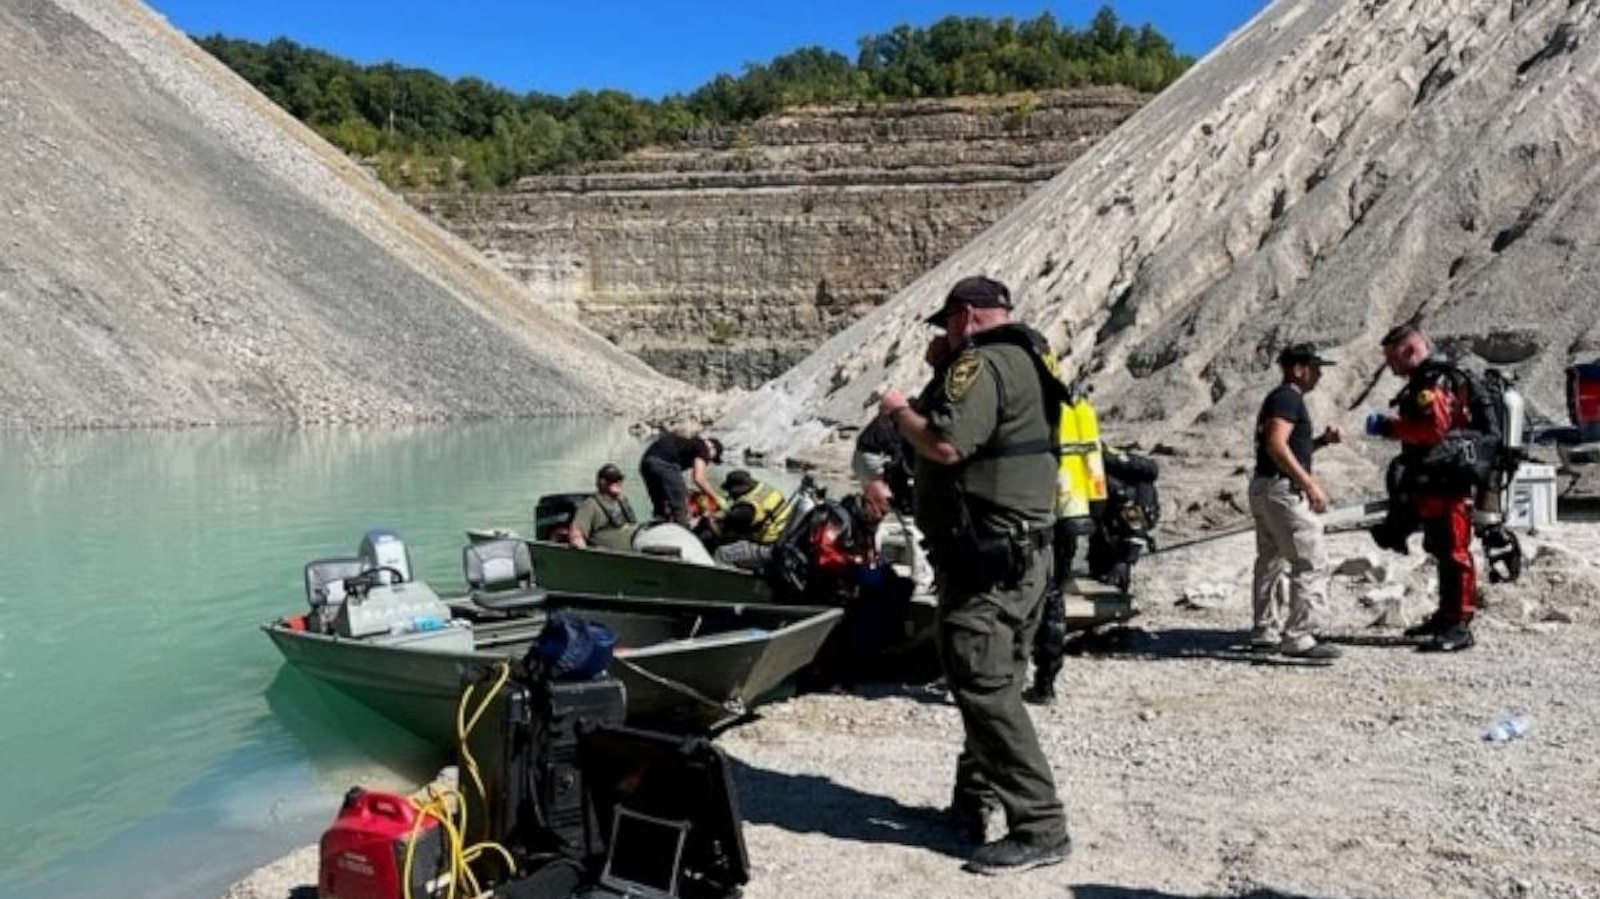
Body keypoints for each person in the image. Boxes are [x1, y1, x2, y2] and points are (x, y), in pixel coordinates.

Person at [878, 275, 1071, 876]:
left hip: (988, 563)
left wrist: (900, 410)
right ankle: (973, 802)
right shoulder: (1031, 357)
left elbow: (945, 445)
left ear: (964, 315)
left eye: (945, 325)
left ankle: (1039, 826)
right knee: (992, 680)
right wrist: (942, 370)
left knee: (983, 686)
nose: (942, 336)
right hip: (1021, 554)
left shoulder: (982, 365)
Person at [1365, 325, 1481, 652]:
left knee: (1455, 552)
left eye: (1392, 358)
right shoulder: (1426, 381)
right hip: (1433, 480)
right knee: (1441, 548)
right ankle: (1446, 617)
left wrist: (1387, 427)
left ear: (1409, 350)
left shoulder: (1434, 382)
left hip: (1449, 482)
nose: (1390, 368)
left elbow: (1432, 431)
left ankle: (1460, 625)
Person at [1248, 343, 1343, 660]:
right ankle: (1300, 636)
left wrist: (1320, 443)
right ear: (1298, 369)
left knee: (1271, 561)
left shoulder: (1279, 398)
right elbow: (1276, 444)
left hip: (1265, 486)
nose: (1319, 375)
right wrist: (1309, 484)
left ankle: (1266, 629)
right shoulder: (1288, 397)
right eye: (1315, 368)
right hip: (1282, 491)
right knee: (1309, 559)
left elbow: (1287, 448)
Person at [709, 469, 793, 571]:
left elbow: (724, 538)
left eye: (730, 492)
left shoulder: (746, 509)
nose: (729, 495)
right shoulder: (762, 489)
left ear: (736, 490)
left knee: (721, 553)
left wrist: (709, 520)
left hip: (770, 548)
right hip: (784, 537)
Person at [638, 432, 723, 526]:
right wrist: (716, 498)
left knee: (662, 506)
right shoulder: (703, 447)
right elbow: (699, 478)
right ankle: (683, 531)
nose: (709, 461)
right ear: (712, 449)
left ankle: (659, 527)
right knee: (680, 507)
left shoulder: (689, 443)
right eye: (712, 458)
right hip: (665, 464)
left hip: (646, 463)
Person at [566, 463, 640, 551]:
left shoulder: (622, 501)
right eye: (613, 479)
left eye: (620, 479)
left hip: (637, 537)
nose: (618, 482)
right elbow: (577, 534)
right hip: (621, 548)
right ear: (602, 482)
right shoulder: (590, 505)